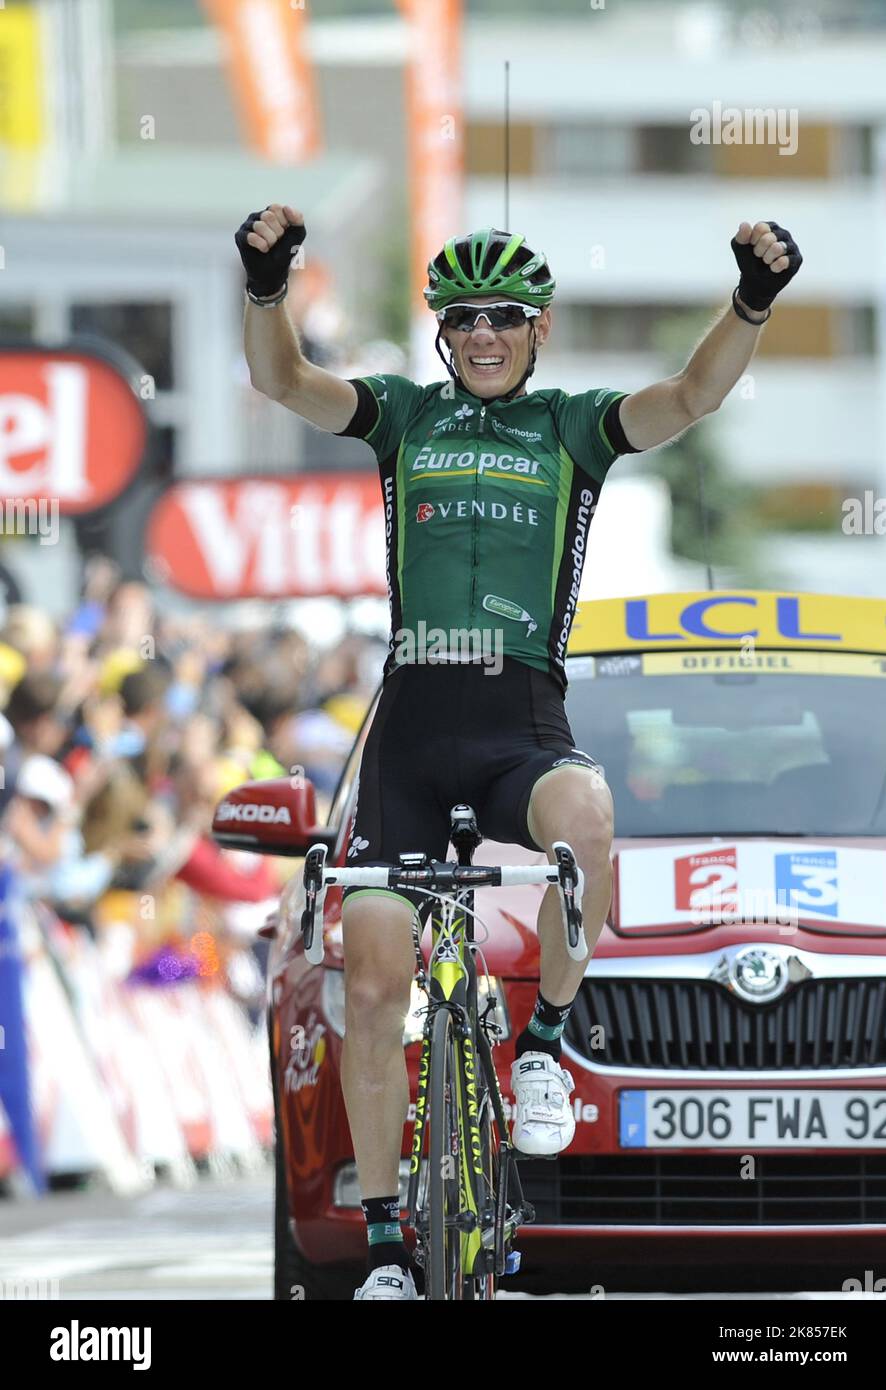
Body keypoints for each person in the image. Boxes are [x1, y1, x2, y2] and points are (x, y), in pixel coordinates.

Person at [236, 206, 802, 1299]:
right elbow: (284, 382)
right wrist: (266, 288)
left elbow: (690, 397)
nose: (483, 333)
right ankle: (395, 1246)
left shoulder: (571, 425)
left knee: (586, 821)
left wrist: (750, 304)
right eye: (462, 319)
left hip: (520, 721)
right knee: (371, 972)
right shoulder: (403, 414)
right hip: (413, 726)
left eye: (504, 316)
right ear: (444, 334)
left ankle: (541, 1041)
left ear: (540, 327)